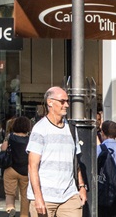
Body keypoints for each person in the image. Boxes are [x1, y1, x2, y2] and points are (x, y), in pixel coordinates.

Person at [28, 86, 86, 217]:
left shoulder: (71, 128)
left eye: (67, 101)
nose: (66, 105)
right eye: (62, 101)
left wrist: (81, 186)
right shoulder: (40, 129)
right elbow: (32, 166)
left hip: (69, 195)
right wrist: (38, 197)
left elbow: (75, 162)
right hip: (45, 196)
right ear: (50, 102)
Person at [2, 116, 32, 216]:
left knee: (10, 193)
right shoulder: (30, 139)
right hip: (25, 171)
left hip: (11, 169)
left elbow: (3, 149)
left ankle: (10, 208)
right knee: (25, 196)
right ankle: (24, 214)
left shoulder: (10, 137)